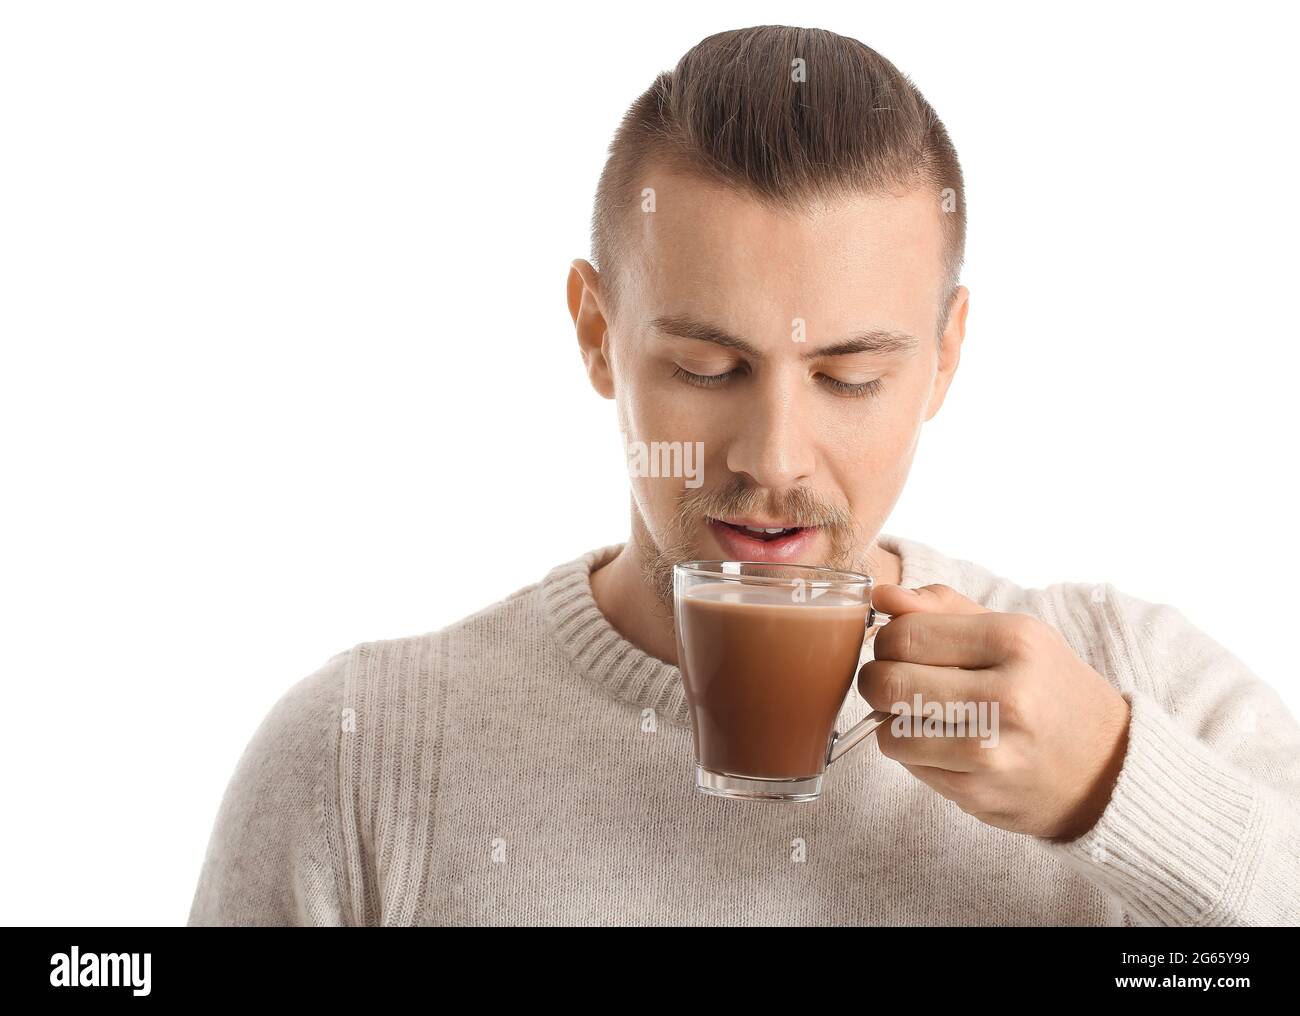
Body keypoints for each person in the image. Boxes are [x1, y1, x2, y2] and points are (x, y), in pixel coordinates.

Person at [188, 24, 1300, 926]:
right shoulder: (363, 757)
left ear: (945, 356)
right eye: (706, 366)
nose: (772, 456)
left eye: (850, 376)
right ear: (594, 332)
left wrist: (1116, 785)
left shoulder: (1127, 678)